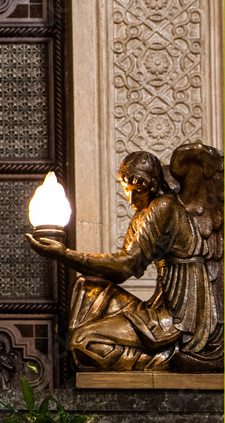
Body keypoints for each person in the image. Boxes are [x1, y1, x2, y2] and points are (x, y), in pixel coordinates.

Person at [27, 145, 223, 372]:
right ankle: (82, 357)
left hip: (181, 319)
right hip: (158, 305)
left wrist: (64, 254)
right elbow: (119, 266)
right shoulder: (143, 215)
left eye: (137, 190)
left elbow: (125, 266)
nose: (130, 197)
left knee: (85, 340)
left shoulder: (164, 207)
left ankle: (168, 358)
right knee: (86, 287)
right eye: (126, 189)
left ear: (151, 186)